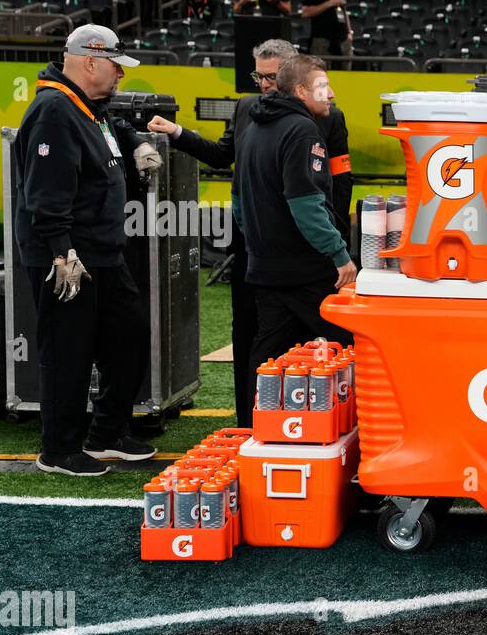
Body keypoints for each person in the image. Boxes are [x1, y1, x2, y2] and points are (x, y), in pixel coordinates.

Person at [147, 39, 352, 426]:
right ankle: (257, 424)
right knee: (264, 334)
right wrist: (178, 133)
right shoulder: (252, 112)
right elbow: (233, 165)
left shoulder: (325, 116)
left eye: (272, 76)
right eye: (259, 76)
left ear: (292, 78)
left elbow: (338, 184)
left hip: (294, 248)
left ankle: (294, 424)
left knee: (281, 339)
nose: (264, 84)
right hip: (271, 249)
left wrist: (331, 241)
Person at [12, 25, 163, 476]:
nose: (120, 73)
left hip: (101, 251)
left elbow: (112, 124)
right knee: (68, 351)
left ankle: (106, 434)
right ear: (90, 62)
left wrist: (135, 143)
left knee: (129, 336)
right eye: (115, 64)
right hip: (68, 257)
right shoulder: (54, 110)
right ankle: (58, 450)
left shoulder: (84, 106)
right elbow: (46, 194)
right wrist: (62, 252)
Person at [233, 54, 355, 377]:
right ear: (301, 91)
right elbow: (306, 207)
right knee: (346, 343)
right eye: (323, 86)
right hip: (305, 270)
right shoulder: (303, 131)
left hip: (264, 267)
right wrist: (340, 254)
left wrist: (261, 244)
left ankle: (252, 424)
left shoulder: (251, 128)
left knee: (268, 356)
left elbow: (237, 202)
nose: (330, 94)